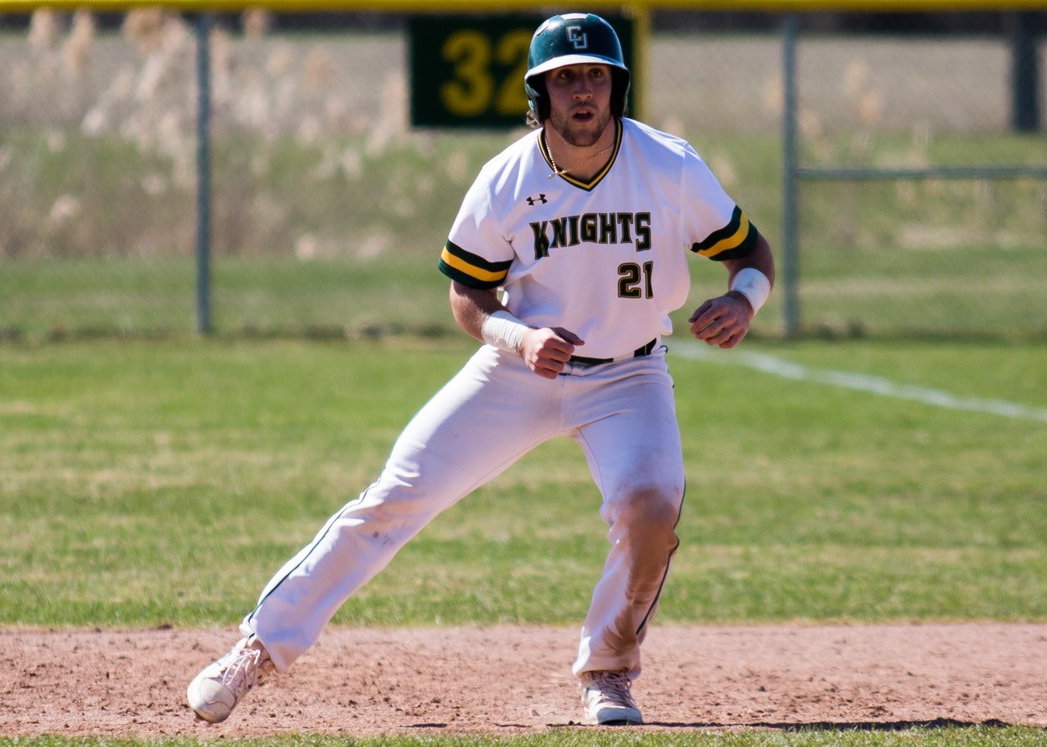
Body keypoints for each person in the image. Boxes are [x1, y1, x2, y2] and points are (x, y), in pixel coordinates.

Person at [188, 11, 775, 727]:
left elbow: (750, 251)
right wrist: (516, 337)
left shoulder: (669, 165)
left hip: (628, 376)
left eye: (595, 76)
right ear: (539, 94)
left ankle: (609, 670)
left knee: (651, 506)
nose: (581, 91)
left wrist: (744, 299)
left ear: (616, 87)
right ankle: (256, 648)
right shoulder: (506, 179)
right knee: (396, 495)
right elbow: (467, 292)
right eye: (564, 78)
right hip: (519, 370)